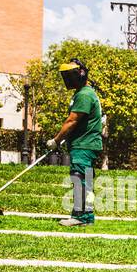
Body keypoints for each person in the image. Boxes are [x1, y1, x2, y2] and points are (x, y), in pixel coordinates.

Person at [48, 58, 103, 227]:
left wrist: (55, 140)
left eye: (69, 75)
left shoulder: (85, 95)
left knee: (80, 179)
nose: (67, 80)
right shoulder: (82, 93)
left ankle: (81, 217)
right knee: (83, 179)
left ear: (80, 74)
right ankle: (86, 216)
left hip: (84, 146)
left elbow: (72, 121)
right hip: (83, 144)